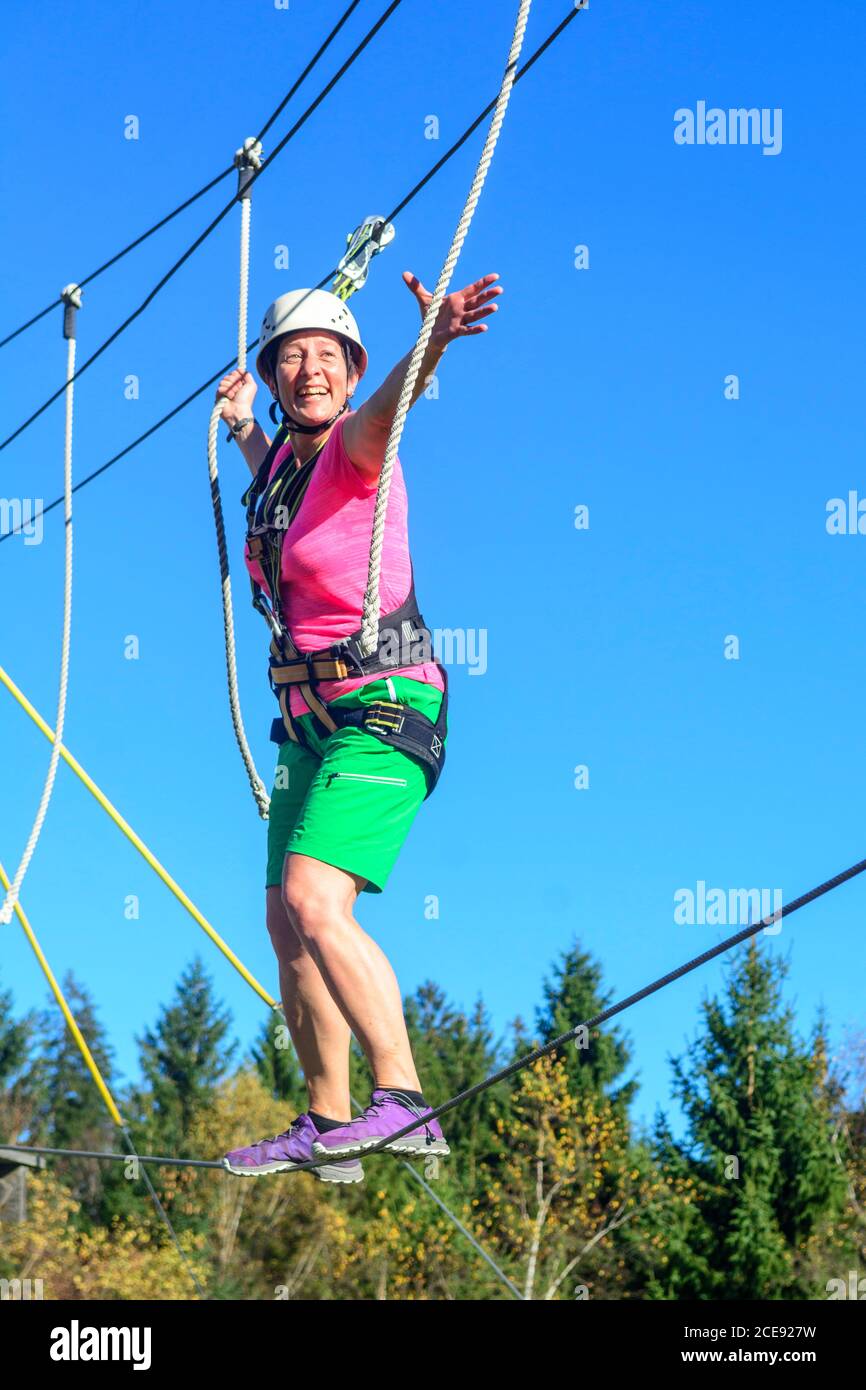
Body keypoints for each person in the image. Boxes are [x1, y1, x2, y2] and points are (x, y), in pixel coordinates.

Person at [218, 269, 502, 1182]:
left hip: (384, 708)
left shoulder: (355, 450)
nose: (308, 370)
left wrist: (433, 343)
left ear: (350, 370)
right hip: (307, 729)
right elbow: (282, 486)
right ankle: (327, 1117)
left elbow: (391, 406)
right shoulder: (285, 477)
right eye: (290, 357)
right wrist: (242, 431)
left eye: (325, 356)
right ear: (272, 376)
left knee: (315, 899)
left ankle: (405, 1100)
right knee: (282, 922)